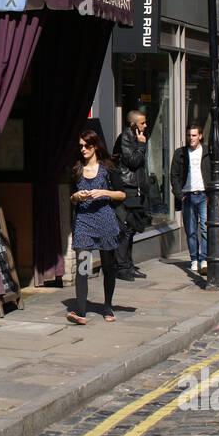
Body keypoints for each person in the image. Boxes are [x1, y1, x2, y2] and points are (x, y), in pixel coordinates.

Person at [67, 129, 126, 324]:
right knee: (83, 268)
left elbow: (122, 194)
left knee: (108, 267)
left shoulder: (108, 168)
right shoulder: (76, 170)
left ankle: (108, 306)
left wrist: (104, 193)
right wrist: (76, 197)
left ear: (95, 146)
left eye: (87, 145)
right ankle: (81, 312)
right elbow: (71, 197)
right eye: (81, 146)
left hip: (105, 221)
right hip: (84, 222)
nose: (83, 149)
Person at [113, 110, 150, 281]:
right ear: (132, 124)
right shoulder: (125, 138)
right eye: (142, 123)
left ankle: (128, 264)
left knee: (132, 227)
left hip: (136, 189)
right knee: (126, 227)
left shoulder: (136, 138)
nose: (145, 126)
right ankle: (122, 267)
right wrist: (141, 146)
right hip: (127, 188)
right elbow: (133, 161)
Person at [170, 123, 208, 274]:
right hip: (188, 196)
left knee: (205, 229)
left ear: (200, 136)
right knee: (191, 230)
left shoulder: (207, 152)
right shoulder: (180, 153)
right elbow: (174, 175)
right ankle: (194, 259)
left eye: (194, 135)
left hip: (204, 195)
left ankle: (204, 259)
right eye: (188, 135)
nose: (191, 138)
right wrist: (180, 195)